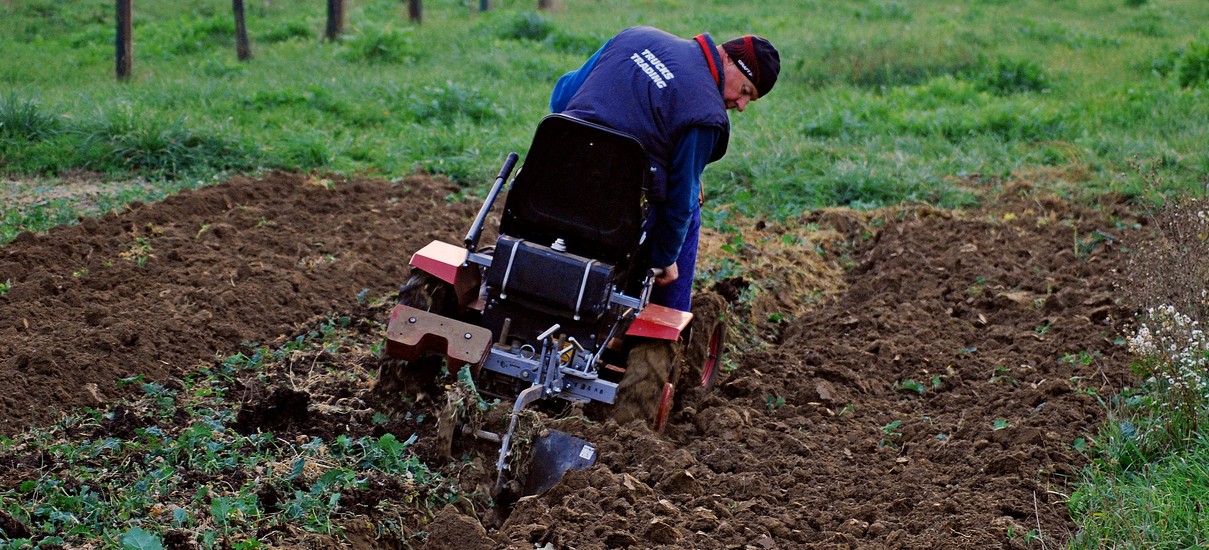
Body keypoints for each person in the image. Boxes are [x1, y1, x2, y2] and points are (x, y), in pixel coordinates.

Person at [549, 26, 780, 312]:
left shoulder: (634, 36)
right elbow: (680, 199)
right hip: (617, 214)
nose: (742, 105)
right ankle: (665, 321)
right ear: (728, 59)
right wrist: (663, 259)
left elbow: (561, 99)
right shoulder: (706, 113)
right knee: (690, 207)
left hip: (550, 184)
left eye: (750, 100)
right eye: (745, 90)